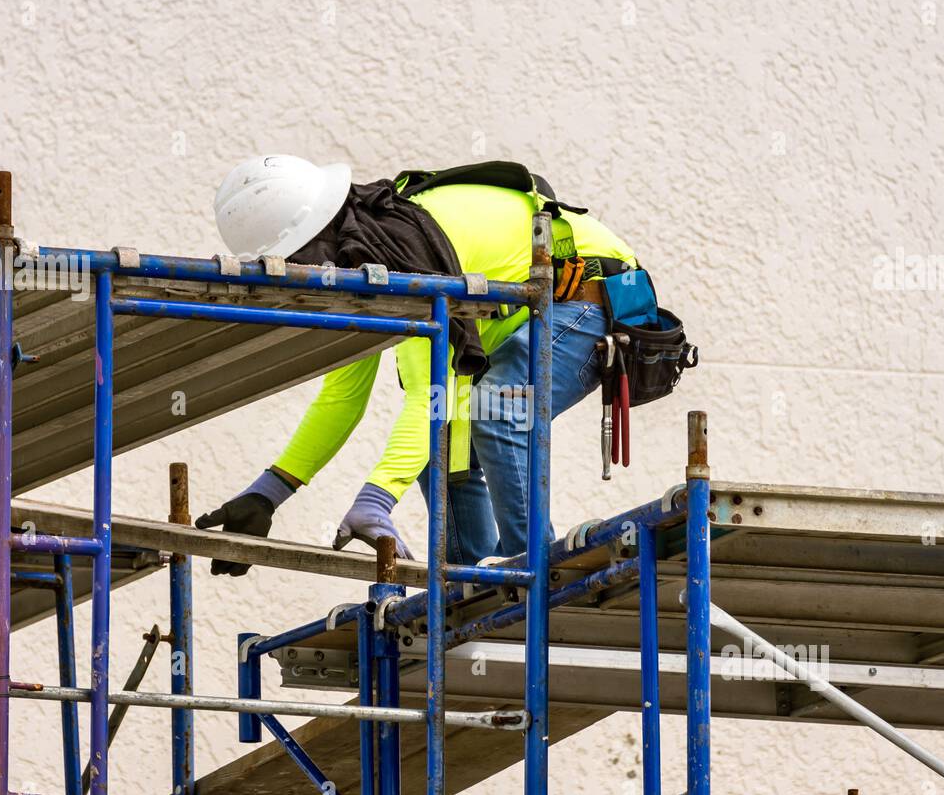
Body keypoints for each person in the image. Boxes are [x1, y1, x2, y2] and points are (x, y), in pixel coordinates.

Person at [196, 154, 639, 569]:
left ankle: (534, 577)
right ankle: (473, 585)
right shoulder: (359, 259)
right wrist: (267, 494)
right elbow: (342, 396)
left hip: (594, 299)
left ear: (314, 248)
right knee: (441, 446)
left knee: (499, 410)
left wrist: (377, 500)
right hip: (522, 318)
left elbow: (430, 395)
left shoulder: (404, 257)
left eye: (294, 265)